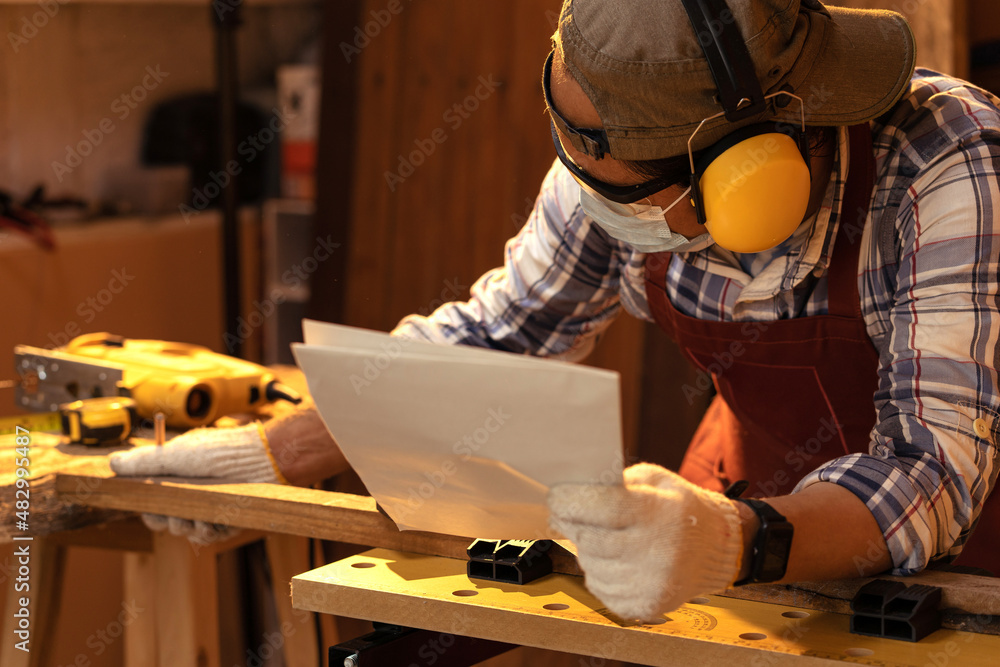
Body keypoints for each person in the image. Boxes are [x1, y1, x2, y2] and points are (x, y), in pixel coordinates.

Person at [111, 0, 1000, 621]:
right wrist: (270, 454)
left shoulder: (944, 162)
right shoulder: (615, 158)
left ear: (750, 177)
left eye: (628, 193)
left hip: (971, 549)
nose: (593, 206)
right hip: (749, 501)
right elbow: (499, 339)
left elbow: (931, 469)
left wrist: (737, 540)